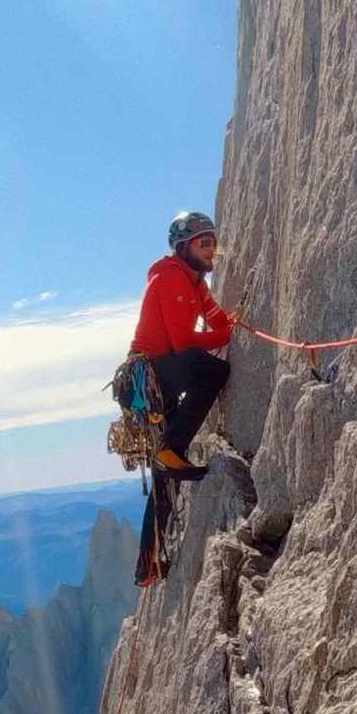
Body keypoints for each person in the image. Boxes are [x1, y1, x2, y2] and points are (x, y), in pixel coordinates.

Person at [130, 210, 238, 586]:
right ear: (183, 247)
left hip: (158, 379)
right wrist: (224, 336)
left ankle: (147, 565)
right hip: (150, 377)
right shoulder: (172, 279)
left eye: (212, 241)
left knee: (166, 472)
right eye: (202, 243)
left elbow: (217, 318)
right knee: (211, 369)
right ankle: (171, 451)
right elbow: (184, 342)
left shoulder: (195, 284)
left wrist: (231, 325)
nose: (210, 249)